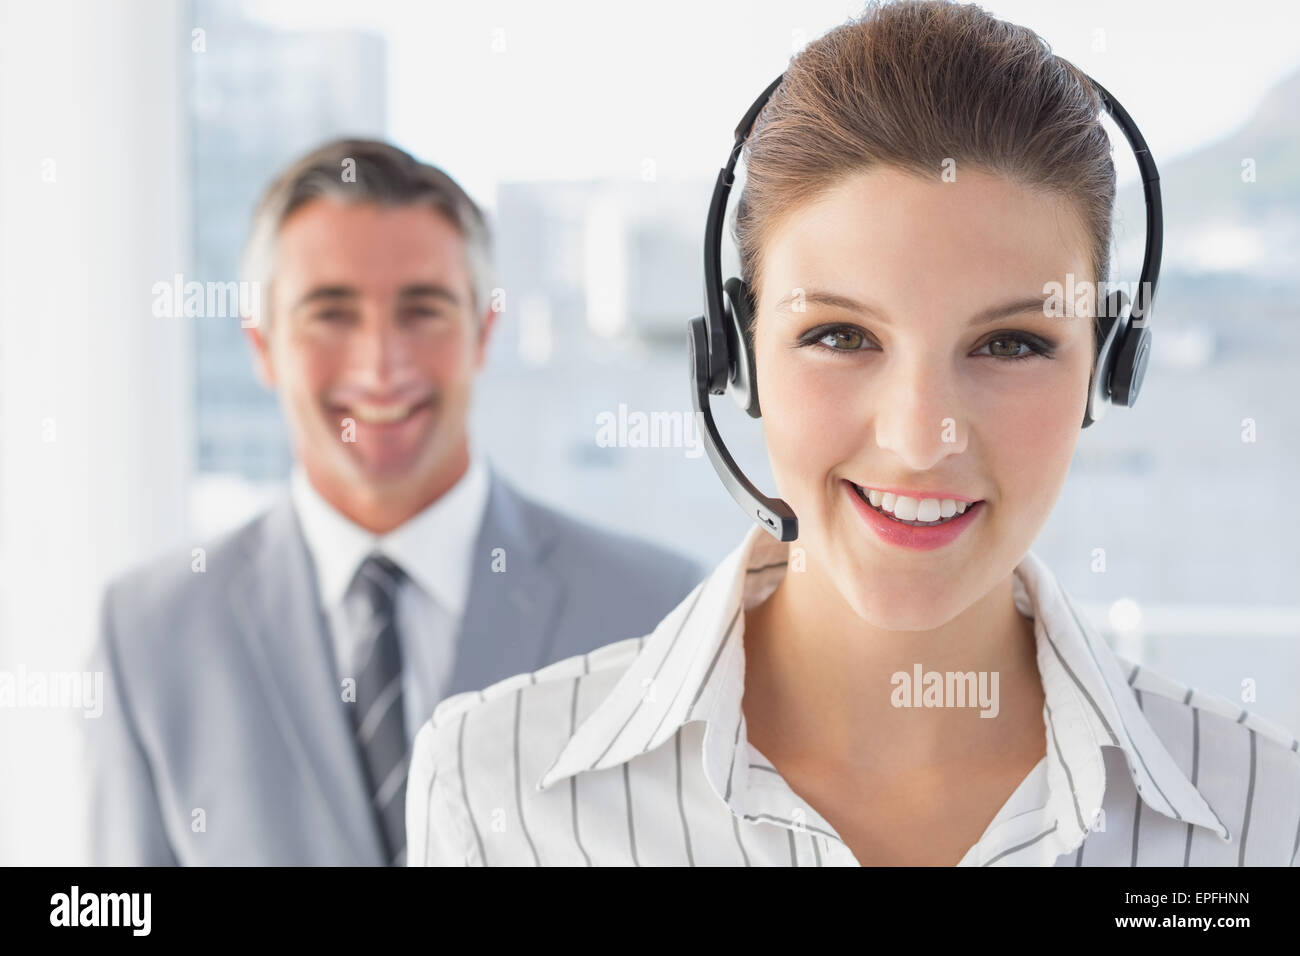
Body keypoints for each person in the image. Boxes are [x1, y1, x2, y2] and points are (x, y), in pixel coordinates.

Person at [405, 0, 1300, 866]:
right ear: (737, 355)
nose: (920, 438)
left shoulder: (1260, 814)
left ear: (1107, 371)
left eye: (1011, 343)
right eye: (840, 336)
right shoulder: (499, 795)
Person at [82, 139, 705, 865]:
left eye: (422, 309)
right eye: (331, 312)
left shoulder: (657, 615)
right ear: (262, 346)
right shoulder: (150, 634)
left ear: (482, 334)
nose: (381, 364)